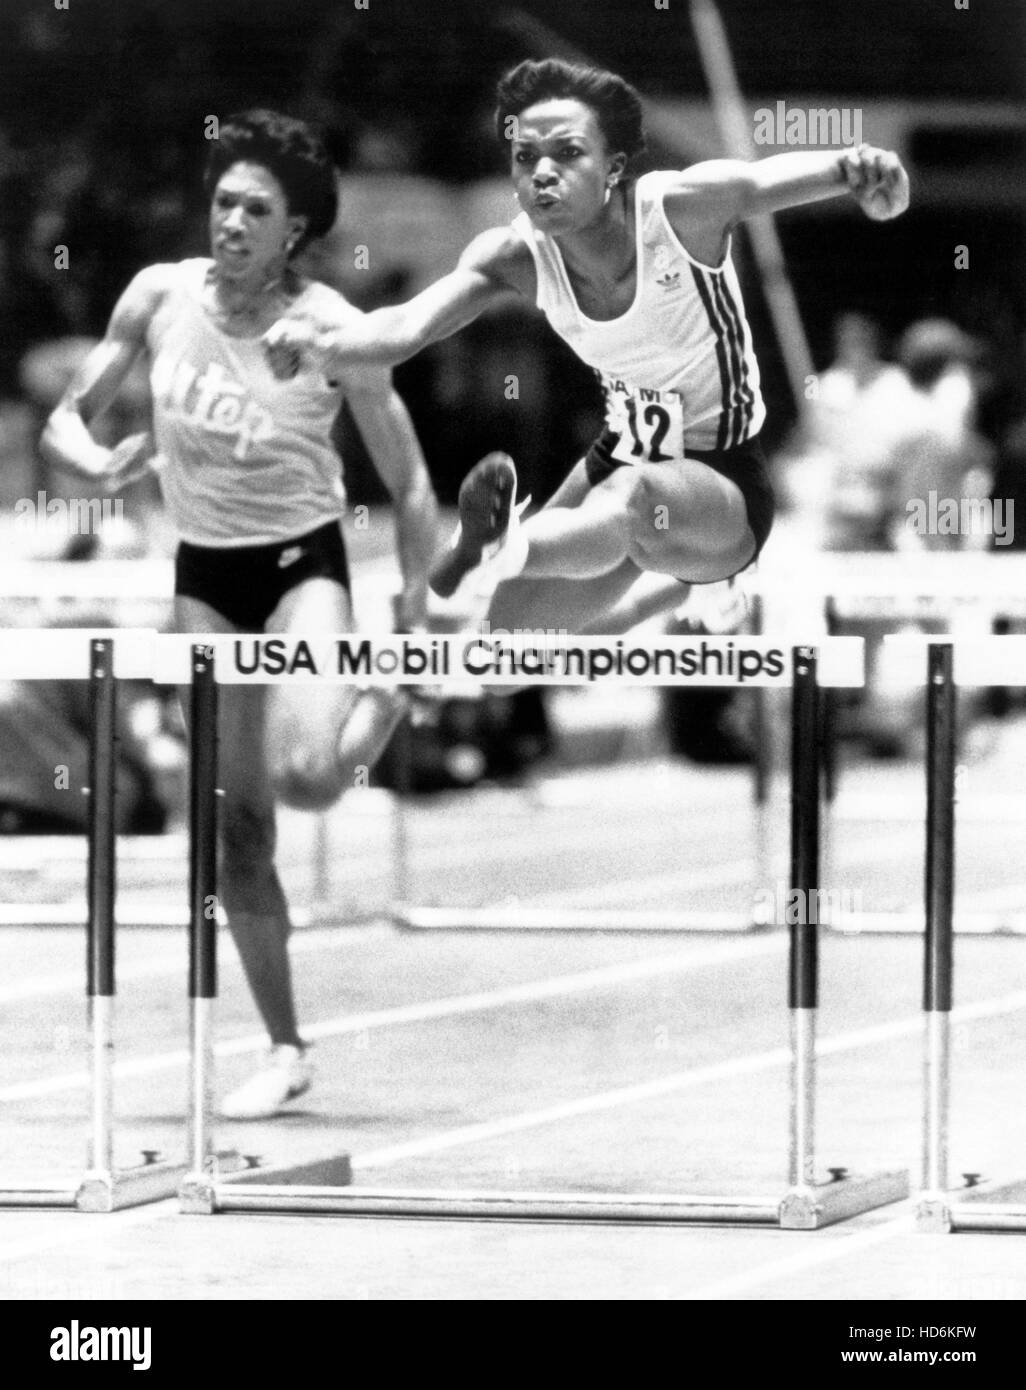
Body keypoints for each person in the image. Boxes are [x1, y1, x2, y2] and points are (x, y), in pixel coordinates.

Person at [40, 110, 439, 1118]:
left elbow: (412, 476)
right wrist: (94, 461)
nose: (232, 221)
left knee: (310, 778)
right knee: (238, 835)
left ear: (296, 230)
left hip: (303, 565)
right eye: (224, 200)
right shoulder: (159, 295)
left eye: (257, 209)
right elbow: (65, 420)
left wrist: (418, 602)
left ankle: (385, 700)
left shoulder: (335, 327)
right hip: (205, 577)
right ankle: (285, 1044)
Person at [262, 59, 910, 636]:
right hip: (620, 456)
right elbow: (403, 329)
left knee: (634, 501)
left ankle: (507, 546)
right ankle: (682, 590)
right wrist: (321, 341)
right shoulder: (511, 255)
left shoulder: (678, 210)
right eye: (524, 157)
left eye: (568, 153)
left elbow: (761, 182)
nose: (542, 172)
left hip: (722, 478)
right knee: (509, 636)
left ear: (614, 167)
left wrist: (857, 169)